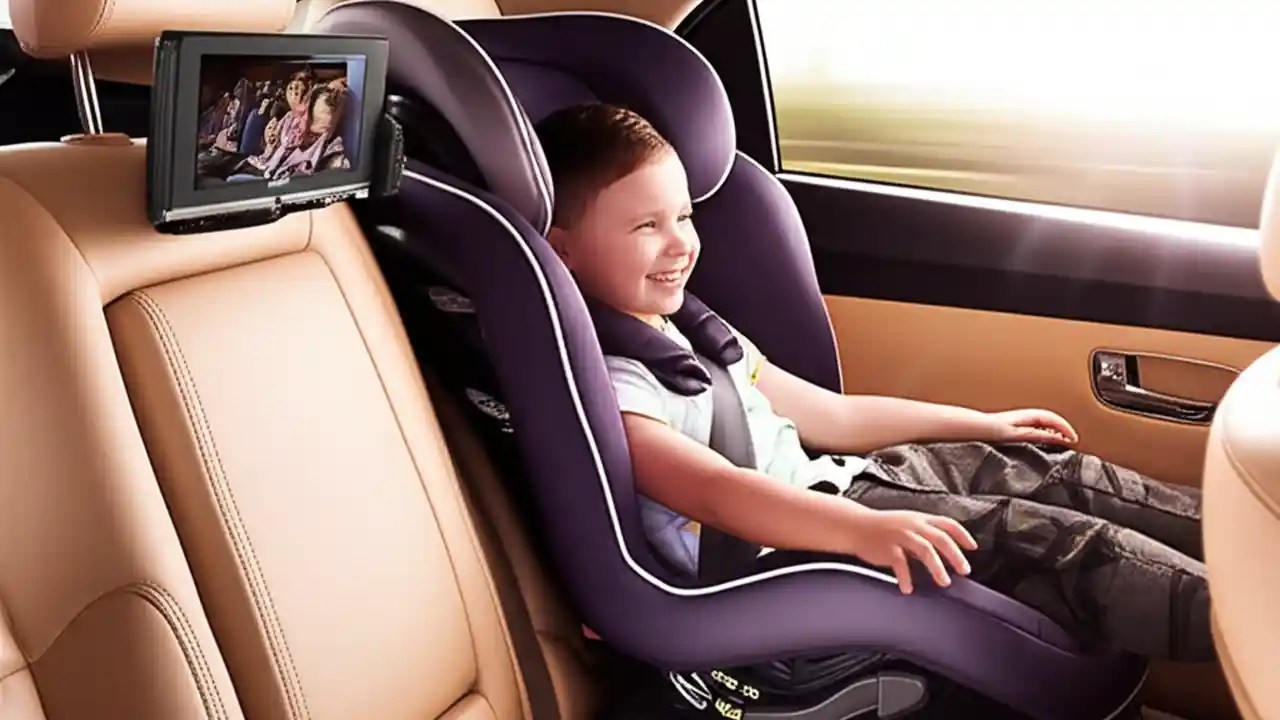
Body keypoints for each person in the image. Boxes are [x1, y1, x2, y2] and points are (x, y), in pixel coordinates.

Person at [533, 102, 1212, 663]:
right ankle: (1248, 624)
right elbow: (719, 492)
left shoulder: (693, 337)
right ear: (562, 248)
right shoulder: (619, 387)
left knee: (1053, 472)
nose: (681, 242)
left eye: (682, 216)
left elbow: (834, 416)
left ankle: (1249, 536)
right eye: (646, 226)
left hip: (845, 481)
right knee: (1068, 548)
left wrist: (984, 424)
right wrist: (863, 530)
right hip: (799, 550)